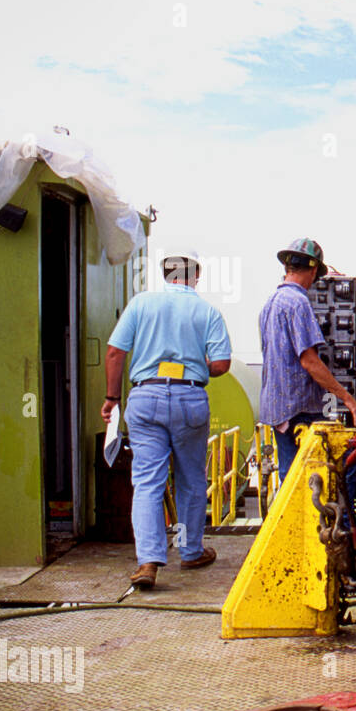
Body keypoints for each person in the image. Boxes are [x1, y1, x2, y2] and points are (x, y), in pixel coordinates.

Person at [103, 248, 232, 590]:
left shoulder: (141, 303)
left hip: (145, 397)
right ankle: (190, 550)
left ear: (165, 274)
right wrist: (192, 364)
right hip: (190, 398)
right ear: (196, 276)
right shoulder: (207, 311)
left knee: (147, 482)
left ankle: (148, 561)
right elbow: (221, 365)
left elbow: (115, 352)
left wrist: (112, 398)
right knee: (190, 479)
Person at [258, 238, 356, 484]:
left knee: (291, 474)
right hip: (300, 408)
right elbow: (310, 362)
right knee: (347, 461)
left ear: (287, 267)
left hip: (277, 408)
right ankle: (341, 521)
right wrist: (348, 398)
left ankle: (291, 520)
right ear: (314, 271)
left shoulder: (269, 305)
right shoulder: (298, 303)